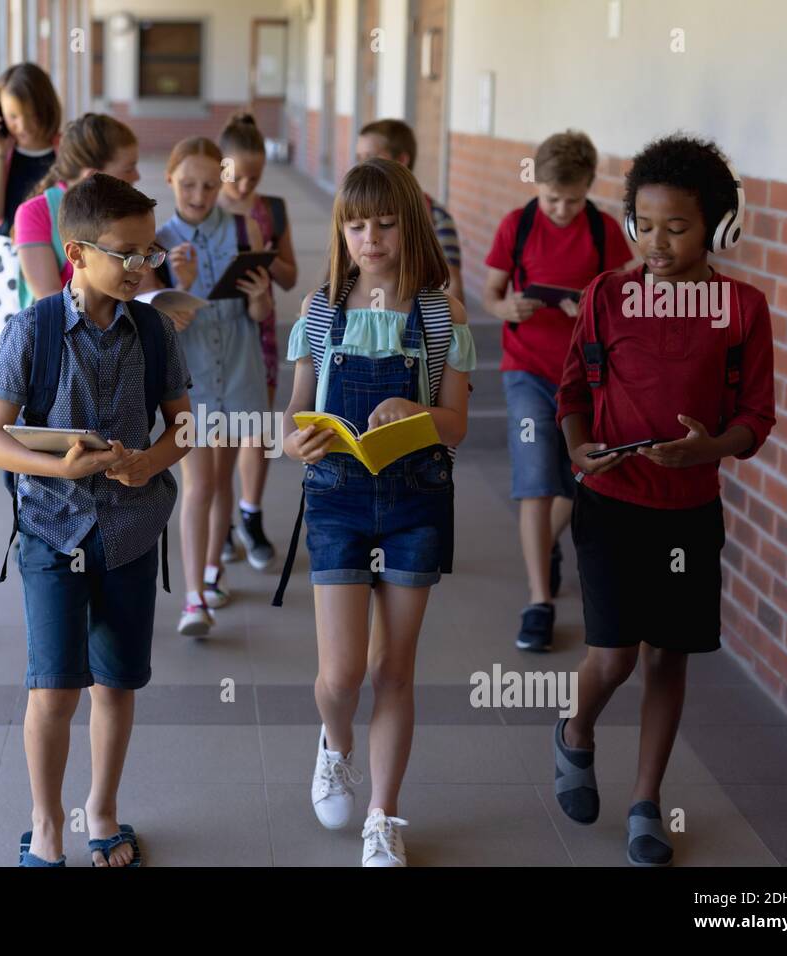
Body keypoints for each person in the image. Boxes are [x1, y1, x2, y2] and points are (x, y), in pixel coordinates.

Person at [554, 134, 775, 866]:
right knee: (613, 657)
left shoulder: (742, 310)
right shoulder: (606, 296)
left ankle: (646, 801)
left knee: (667, 658)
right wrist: (578, 444)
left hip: (689, 509)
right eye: (644, 224)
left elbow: (756, 419)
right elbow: (574, 390)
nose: (656, 242)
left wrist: (708, 448)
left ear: (717, 227)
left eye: (677, 227)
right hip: (612, 500)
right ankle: (576, 729)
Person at [0, 174, 193, 866]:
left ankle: (102, 810)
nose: (142, 266)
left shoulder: (156, 331)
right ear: (76, 252)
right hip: (49, 531)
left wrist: (149, 461)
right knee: (54, 688)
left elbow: (184, 427)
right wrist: (59, 470)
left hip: (130, 534)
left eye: (149, 252)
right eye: (126, 254)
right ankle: (46, 822)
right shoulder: (31, 330)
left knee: (117, 682)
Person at [280, 158, 474, 866]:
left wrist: (417, 410)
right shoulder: (322, 309)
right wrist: (296, 439)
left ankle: (385, 816)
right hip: (335, 494)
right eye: (356, 225)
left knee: (394, 669)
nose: (370, 239)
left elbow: (455, 424)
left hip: (416, 498)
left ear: (411, 226)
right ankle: (335, 744)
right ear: (341, 230)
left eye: (386, 224)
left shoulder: (439, 313)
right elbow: (297, 413)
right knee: (341, 677)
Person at [481, 130, 633, 651]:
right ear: (537, 186)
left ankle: (541, 544)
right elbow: (490, 294)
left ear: (591, 186)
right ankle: (539, 601)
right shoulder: (517, 225)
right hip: (525, 368)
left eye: (574, 198)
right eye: (552, 199)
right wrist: (509, 308)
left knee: (581, 477)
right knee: (535, 480)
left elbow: (620, 298)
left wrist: (590, 305)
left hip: (586, 377)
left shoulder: (604, 229)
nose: (563, 209)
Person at [143, 137, 273, 636]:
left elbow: (258, 315)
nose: (199, 194)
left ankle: (213, 573)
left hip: (241, 375)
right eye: (189, 183)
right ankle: (194, 599)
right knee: (198, 485)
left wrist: (261, 296)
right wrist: (189, 283)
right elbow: (167, 327)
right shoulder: (155, 245)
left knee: (222, 482)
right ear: (171, 179)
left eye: (208, 184)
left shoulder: (245, 230)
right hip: (189, 385)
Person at [216, 112, 298, 571]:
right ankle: (222, 519)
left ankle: (251, 513)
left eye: (254, 177)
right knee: (219, 429)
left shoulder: (274, 210)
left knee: (257, 426)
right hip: (216, 331)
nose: (245, 186)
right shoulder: (204, 210)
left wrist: (262, 264)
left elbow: (289, 276)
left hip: (260, 328)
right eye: (235, 175)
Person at [12, 112, 140, 308]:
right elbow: (50, 298)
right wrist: (102, 319)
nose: (136, 176)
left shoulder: (125, 214)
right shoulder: (35, 213)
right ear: (93, 177)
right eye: (128, 169)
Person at [0, 63, 61, 347]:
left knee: (51, 344)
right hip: (9, 265)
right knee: (13, 353)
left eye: (31, 115)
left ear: (46, 109)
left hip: (56, 258)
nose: (21, 126)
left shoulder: (65, 150)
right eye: (12, 117)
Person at [355, 118, 464, 297]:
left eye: (370, 156)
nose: (362, 166)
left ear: (402, 159)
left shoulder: (437, 217)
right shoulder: (354, 210)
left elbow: (452, 286)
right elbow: (334, 268)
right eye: (359, 157)